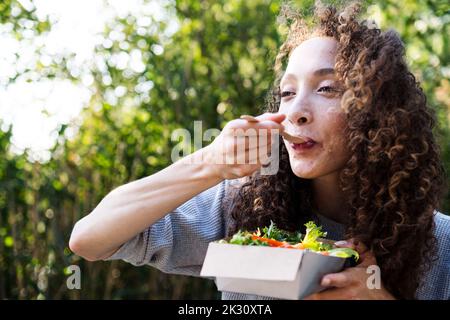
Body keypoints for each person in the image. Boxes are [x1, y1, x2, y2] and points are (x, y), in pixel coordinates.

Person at [69, 1, 449, 300]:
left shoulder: (442, 243)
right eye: (287, 93)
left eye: (326, 89)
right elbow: (90, 239)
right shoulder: (240, 208)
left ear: (378, 110)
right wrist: (210, 162)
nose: (295, 111)